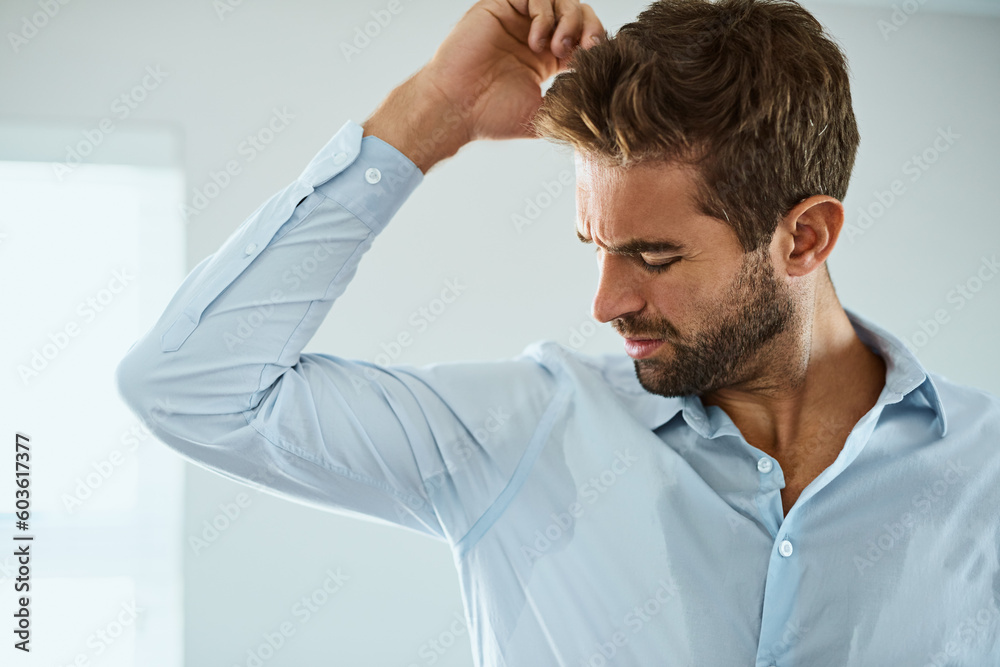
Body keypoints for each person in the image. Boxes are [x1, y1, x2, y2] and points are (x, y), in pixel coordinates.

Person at [115, 0, 1000, 664]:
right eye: (598, 247)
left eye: (654, 256)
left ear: (803, 237)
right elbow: (191, 385)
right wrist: (435, 110)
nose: (606, 301)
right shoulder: (517, 437)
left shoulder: (985, 475)